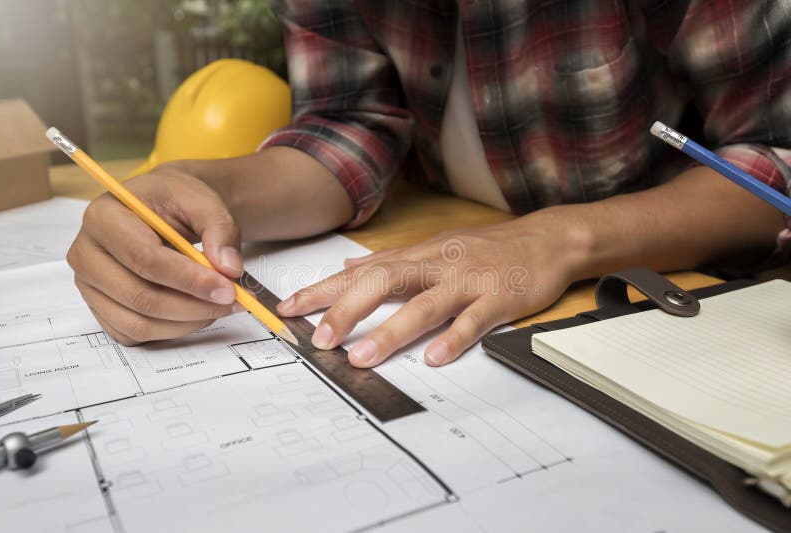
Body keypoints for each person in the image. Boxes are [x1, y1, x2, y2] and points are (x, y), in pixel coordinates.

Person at [67, 1, 790, 369]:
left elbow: (775, 150)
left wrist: (559, 238)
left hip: (666, 293)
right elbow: (350, 123)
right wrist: (199, 185)